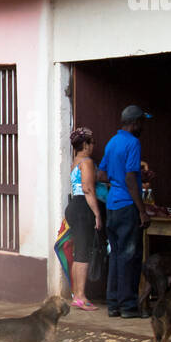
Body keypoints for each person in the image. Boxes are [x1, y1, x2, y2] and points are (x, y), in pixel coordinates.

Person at [98, 105, 151, 318]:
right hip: (128, 206)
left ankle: (113, 305)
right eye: (142, 123)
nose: (142, 127)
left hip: (112, 206)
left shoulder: (112, 142)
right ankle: (129, 306)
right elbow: (129, 178)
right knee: (130, 257)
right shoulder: (133, 142)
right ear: (135, 123)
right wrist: (142, 211)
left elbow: (101, 175)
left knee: (117, 256)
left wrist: (125, 179)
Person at [65, 127, 102, 310]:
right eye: (92, 142)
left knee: (79, 251)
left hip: (74, 207)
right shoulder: (86, 162)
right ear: (85, 144)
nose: (94, 145)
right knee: (83, 253)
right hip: (82, 208)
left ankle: (76, 294)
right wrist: (97, 213)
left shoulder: (75, 162)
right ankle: (80, 296)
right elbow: (88, 189)